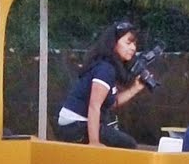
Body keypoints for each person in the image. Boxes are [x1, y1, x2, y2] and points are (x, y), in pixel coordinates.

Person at [53, 21, 151, 149]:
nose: (133, 48)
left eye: (134, 44)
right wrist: (94, 143)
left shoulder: (109, 67)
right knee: (128, 144)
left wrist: (135, 88)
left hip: (78, 124)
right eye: (128, 43)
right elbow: (94, 106)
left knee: (122, 140)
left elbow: (112, 102)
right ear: (113, 44)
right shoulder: (105, 69)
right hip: (75, 125)